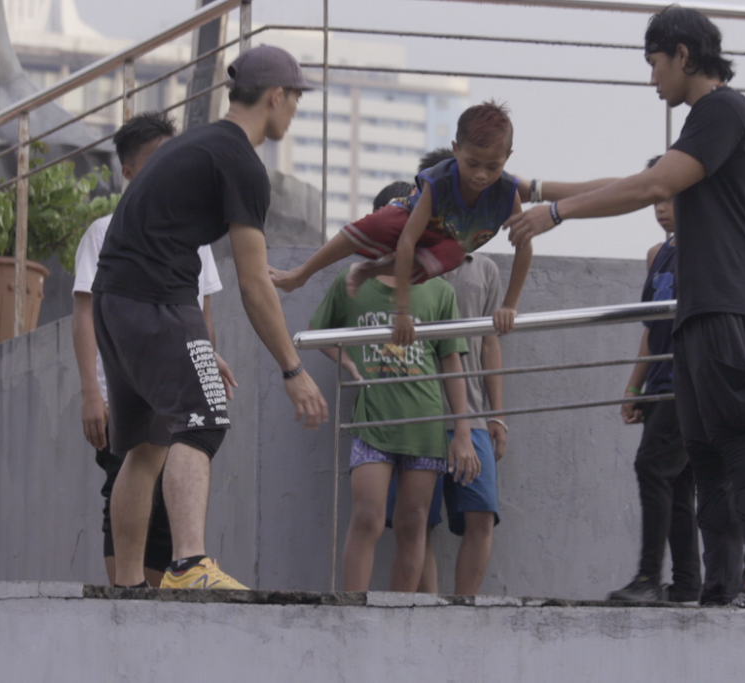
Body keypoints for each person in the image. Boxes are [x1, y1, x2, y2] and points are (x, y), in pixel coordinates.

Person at [506, 5, 745, 609]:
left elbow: (652, 186)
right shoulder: (702, 124)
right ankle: (719, 590)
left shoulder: (723, 109)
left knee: (737, 442)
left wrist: (554, 215)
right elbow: (639, 180)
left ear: (683, 54)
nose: (651, 78)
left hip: (731, 308)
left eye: (654, 63)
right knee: (706, 459)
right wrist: (535, 189)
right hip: (701, 311)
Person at [91, 45, 328, 590]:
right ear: (276, 96)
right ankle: (189, 565)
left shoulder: (197, 144)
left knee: (148, 444)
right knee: (205, 418)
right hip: (155, 300)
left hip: (118, 300)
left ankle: (127, 585)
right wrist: (294, 370)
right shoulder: (240, 161)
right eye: (294, 99)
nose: (294, 110)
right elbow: (253, 283)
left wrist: (185, 338)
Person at [72, 112, 224, 586]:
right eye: (159, 161)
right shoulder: (105, 230)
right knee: (129, 469)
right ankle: (131, 584)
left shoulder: (193, 235)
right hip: (127, 379)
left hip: (176, 372)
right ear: (130, 174)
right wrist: (90, 392)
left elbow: (200, 311)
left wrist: (207, 361)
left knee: (168, 490)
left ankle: (160, 590)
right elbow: (85, 312)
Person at [311, 183, 476, 593]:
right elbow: (318, 334)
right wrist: (345, 359)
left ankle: (402, 616)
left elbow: (451, 359)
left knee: (413, 522)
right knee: (367, 519)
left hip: (424, 424)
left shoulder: (439, 290)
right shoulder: (350, 281)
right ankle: (351, 613)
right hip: (373, 421)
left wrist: (463, 432)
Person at [268, 101, 532, 347]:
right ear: (455, 150)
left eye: (492, 167)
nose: (480, 175)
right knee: (380, 222)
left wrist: (509, 305)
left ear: (507, 158)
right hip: (408, 218)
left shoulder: (507, 194)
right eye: (471, 163)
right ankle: (300, 274)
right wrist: (402, 311)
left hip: (448, 242)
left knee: (453, 255)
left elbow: (524, 248)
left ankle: (370, 270)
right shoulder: (439, 182)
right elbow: (407, 240)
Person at [384, 148, 509, 596]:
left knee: (480, 514)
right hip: (418, 413)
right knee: (418, 519)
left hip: (471, 415)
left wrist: (497, 414)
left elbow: (490, 344)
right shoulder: (403, 265)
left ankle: (464, 608)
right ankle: (431, 607)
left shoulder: (486, 268)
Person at [607, 155, 700, 604]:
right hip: (660, 381)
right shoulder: (657, 254)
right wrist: (634, 386)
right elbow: (650, 327)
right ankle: (685, 586)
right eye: (655, 198)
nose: (661, 207)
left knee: (651, 468)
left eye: (669, 196)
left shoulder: (706, 248)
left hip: (691, 380)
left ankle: (648, 578)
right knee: (677, 485)